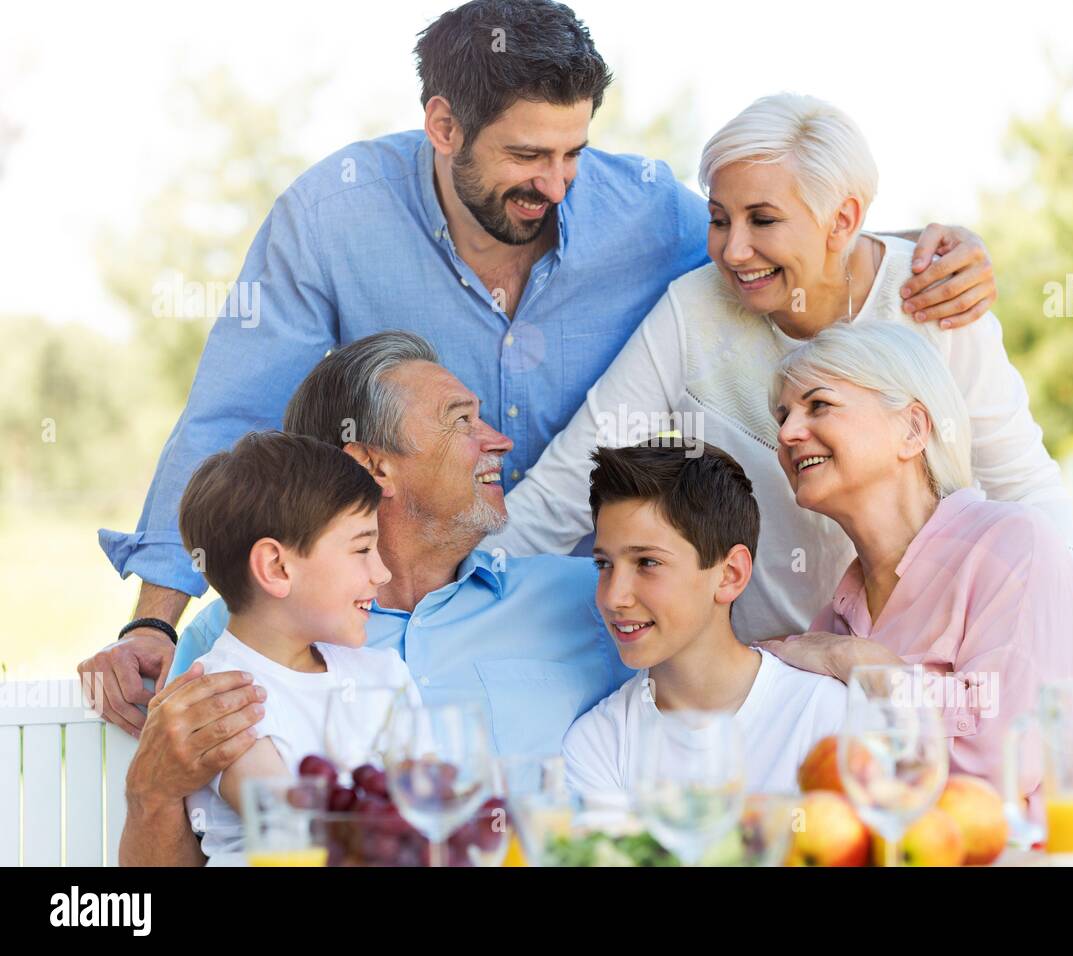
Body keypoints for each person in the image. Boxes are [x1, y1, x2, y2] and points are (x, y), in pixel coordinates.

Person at [84, 0, 1000, 736]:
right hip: (404, 604)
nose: (557, 184)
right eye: (526, 154)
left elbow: (781, 236)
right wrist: (155, 618)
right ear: (443, 125)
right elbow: (229, 419)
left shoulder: (643, 212)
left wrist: (919, 247)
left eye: (573, 150)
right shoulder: (335, 217)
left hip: (589, 616)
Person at [484, 92, 1073, 641]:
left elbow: (1022, 484)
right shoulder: (692, 312)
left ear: (842, 220)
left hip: (935, 657)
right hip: (772, 679)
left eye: (762, 220)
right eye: (719, 219)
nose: (733, 251)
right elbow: (566, 486)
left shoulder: (934, 297)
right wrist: (447, 608)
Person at [117, 331, 630, 866]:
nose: (499, 441)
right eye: (462, 421)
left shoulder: (589, 597)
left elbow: (708, 693)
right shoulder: (231, 639)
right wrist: (149, 793)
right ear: (372, 466)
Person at [758, 321, 1073, 811]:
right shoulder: (837, 618)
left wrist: (868, 667)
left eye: (818, 405)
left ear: (912, 429)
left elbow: (995, 769)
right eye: (782, 416)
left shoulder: (1011, 544)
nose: (787, 433)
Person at [174, 430, 417, 858]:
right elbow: (297, 832)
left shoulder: (384, 674)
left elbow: (433, 809)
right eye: (362, 549)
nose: (382, 573)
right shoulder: (222, 701)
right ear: (276, 567)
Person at [562, 441, 845, 797]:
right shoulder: (599, 743)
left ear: (729, 575)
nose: (613, 597)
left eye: (647, 563)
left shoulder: (824, 713)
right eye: (604, 564)